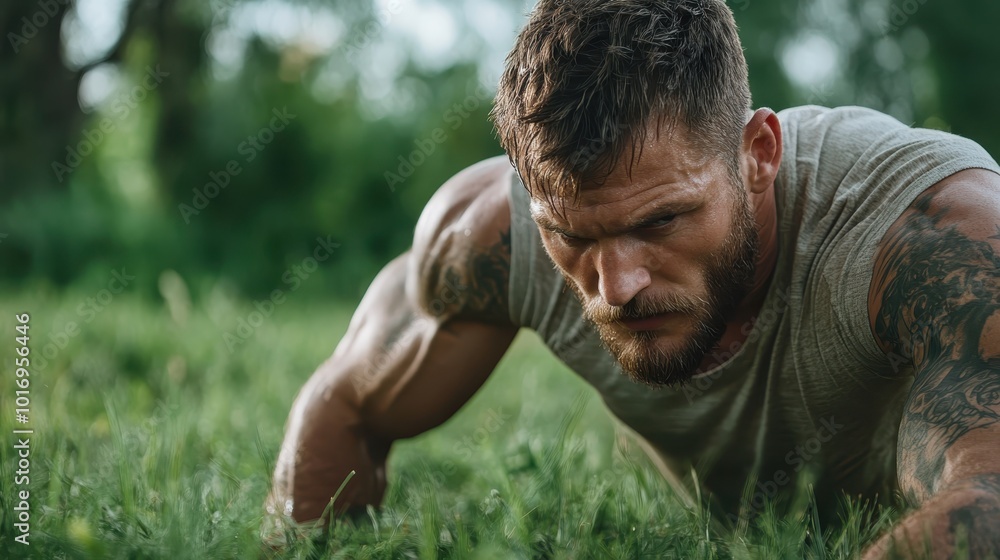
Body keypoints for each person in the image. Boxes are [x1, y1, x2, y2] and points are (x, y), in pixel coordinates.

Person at [264, 0, 1000, 556]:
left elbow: (989, 503)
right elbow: (345, 406)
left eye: (660, 223)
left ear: (758, 154)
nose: (616, 287)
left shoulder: (935, 237)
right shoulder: (487, 233)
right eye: (572, 235)